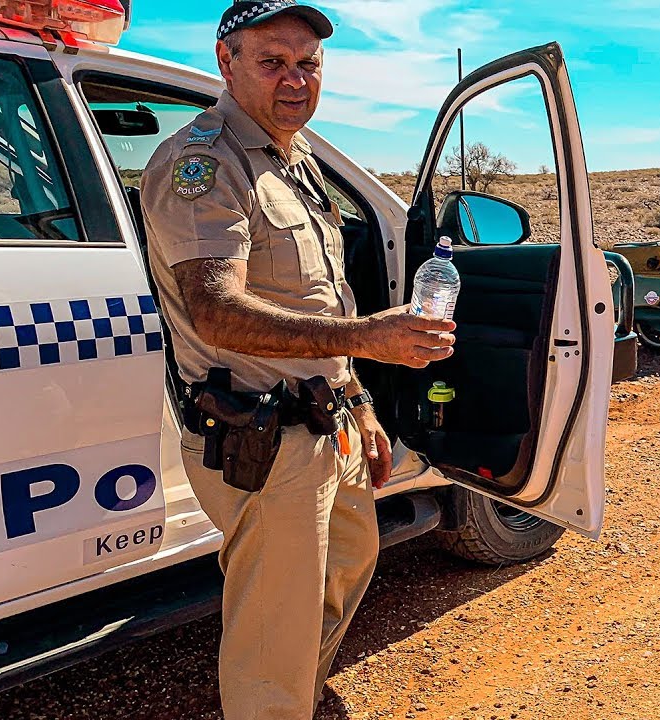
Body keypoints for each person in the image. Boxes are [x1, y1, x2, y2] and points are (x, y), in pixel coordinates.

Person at [140, 2, 456, 717]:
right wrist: (368, 339)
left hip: (327, 422)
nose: (294, 79)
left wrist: (361, 402)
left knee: (347, 564)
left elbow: (323, 297)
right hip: (264, 439)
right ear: (227, 63)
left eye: (307, 63)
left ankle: (294, 700)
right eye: (272, 61)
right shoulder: (204, 162)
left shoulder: (297, 156)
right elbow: (214, 311)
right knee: (273, 632)